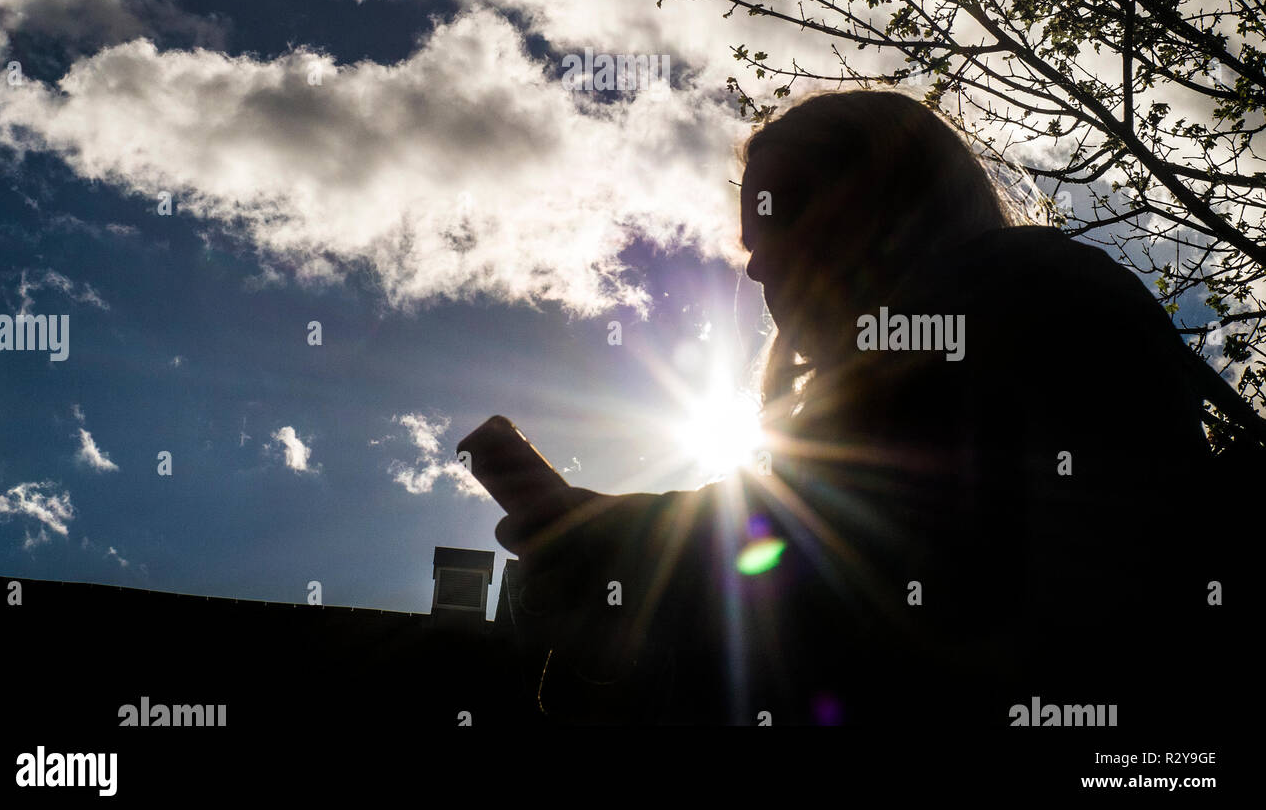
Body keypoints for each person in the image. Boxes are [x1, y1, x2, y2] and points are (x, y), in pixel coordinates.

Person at [493, 88, 1252, 726]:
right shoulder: (868, 393)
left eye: (786, 209)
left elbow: (867, 561)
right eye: (750, 240)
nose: (756, 260)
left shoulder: (1023, 291)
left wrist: (619, 546)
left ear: (902, 194)